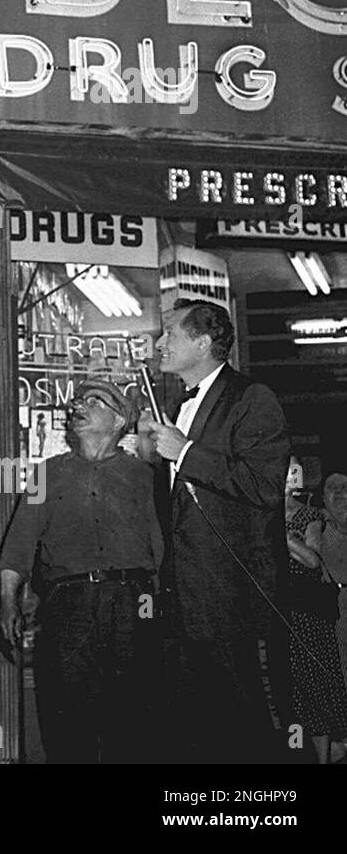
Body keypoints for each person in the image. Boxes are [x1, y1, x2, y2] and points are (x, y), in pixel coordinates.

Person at [142, 298, 291, 764]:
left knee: (239, 723)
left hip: (227, 594)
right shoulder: (179, 404)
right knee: (193, 727)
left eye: (170, 334)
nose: (160, 343)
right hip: (180, 596)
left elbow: (264, 486)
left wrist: (185, 453)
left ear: (203, 343)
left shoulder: (251, 398)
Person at [0, 379, 162, 763]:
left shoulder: (146, 478)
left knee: (133, 721)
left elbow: (162, 552)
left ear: (120, 420)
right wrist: (7, 602)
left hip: (133, 605)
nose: (78, 407)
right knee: (66, 722)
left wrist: (161, 612)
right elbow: (19, 545)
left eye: (94, 401)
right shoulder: (45, 475)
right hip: (67, 607)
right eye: (77, 401)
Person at [283, 463, 347, 764]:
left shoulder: (311, 518)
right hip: (285, 612)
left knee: (320, 686)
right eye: (334, 490)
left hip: (313, 612)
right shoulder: (262, 516)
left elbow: (312, 560)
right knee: (297, 691)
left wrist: (281, 535)